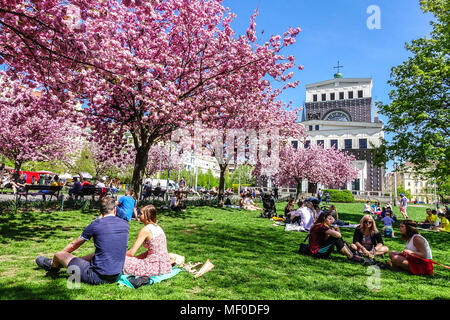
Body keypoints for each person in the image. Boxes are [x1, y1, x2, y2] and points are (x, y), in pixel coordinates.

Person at [35, 197, 129, 285]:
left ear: (100, 210)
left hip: (97, 276)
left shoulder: (95, 225)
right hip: (116, 275)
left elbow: (74, 245)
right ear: (115, 210)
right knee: (100, 252)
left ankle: (53, 266)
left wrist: (61, 257)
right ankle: (60, 263)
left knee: (59, 255)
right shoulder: (125, 224)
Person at [122, 205, 172, 277]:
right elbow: (153, 251)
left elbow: (131, 253)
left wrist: (120, 256)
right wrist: (137, 257)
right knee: (135, 258)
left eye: (141, 213)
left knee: (122, 261)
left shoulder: (146, 230)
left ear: (147, 215)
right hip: (164, 266)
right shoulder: (158, 227)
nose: (139, 215)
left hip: (153, 267)